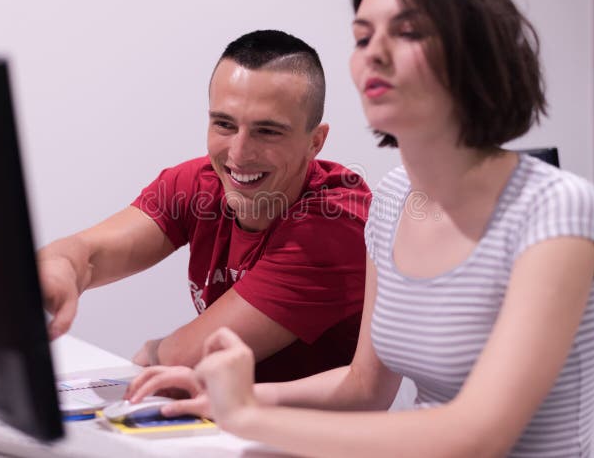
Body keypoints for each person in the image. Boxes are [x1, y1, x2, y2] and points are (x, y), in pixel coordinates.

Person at [124, 0, 594, 457]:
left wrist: (248, 415)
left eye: (407, 32)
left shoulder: (558, 208)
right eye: (362, 37)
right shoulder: (394, 197)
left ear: (477, 56)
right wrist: (227, 396)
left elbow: (479, 436)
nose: (373, 53)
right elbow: (363, 389)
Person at [37, 30, 370, 383]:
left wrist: (157, 350)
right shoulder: (197, 184)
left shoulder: (338, 221)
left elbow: (189, 356)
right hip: (219, 425)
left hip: (307, 437)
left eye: (268, 132)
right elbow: (86, 255)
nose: (239, 154)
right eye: (224, 124)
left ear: (315, 142)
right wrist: (60, 271)